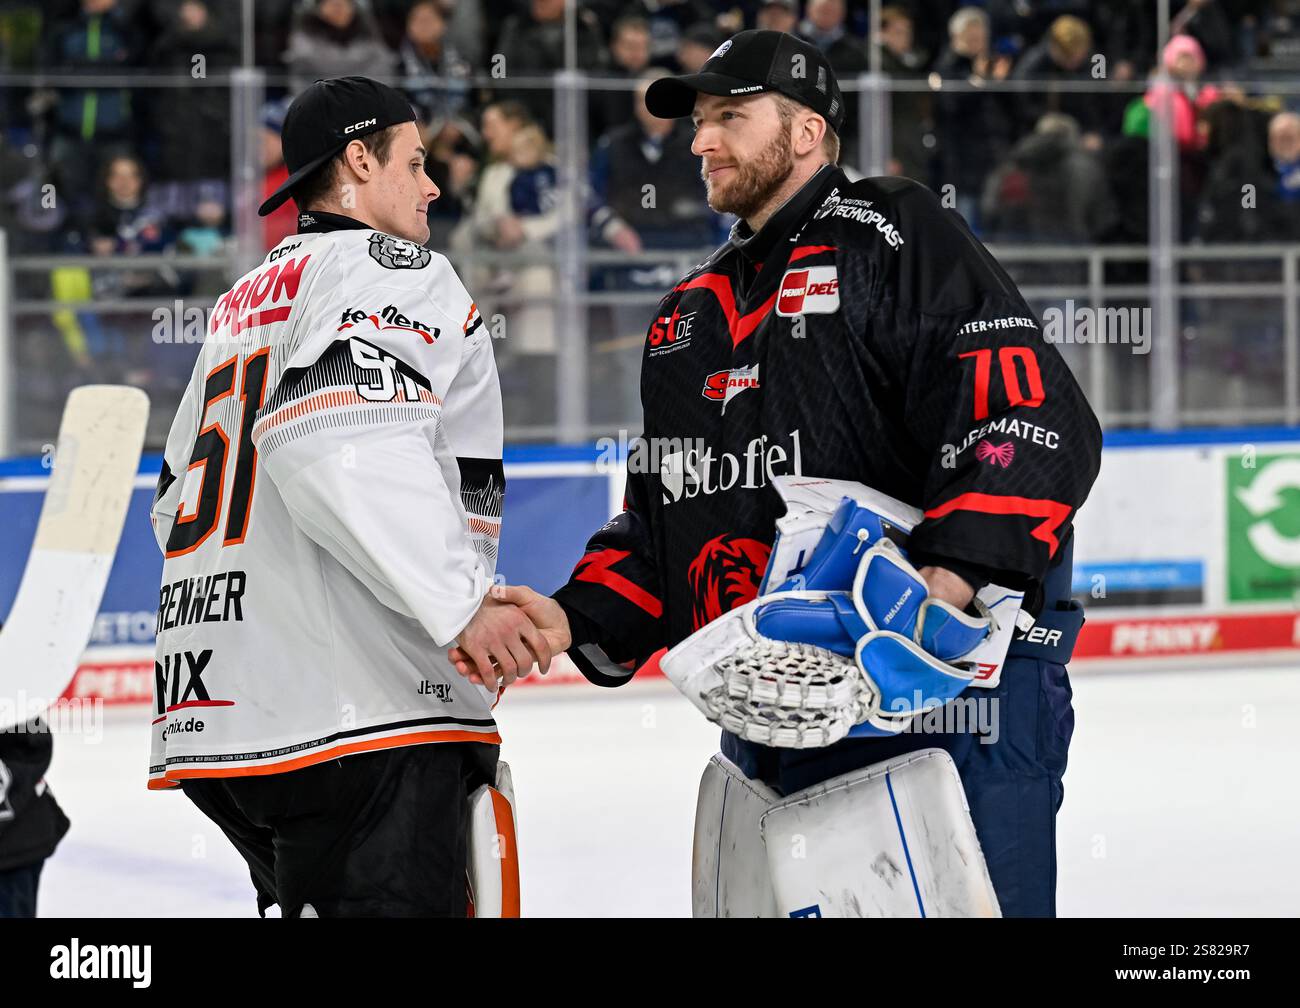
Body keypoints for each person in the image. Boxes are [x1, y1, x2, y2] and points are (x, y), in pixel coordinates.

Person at [453, 29, 1103, 917]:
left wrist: (939, 586)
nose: (701, 142)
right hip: (779, 727)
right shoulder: (684, 321)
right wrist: (568, 616)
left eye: (730, 117)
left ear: (804, 131)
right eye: (699, 123)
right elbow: (661, 526)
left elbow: (1029, 417)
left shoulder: (895, 233)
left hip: (948, 717)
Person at [149, 77, 558, 918]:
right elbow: (333, 430)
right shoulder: (398, 269)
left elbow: (170, 502)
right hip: (364, 720)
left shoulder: (239, 301)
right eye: (416, 162)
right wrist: (459, 608)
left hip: (223, 723)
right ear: (359, 161)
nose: (434, 186)